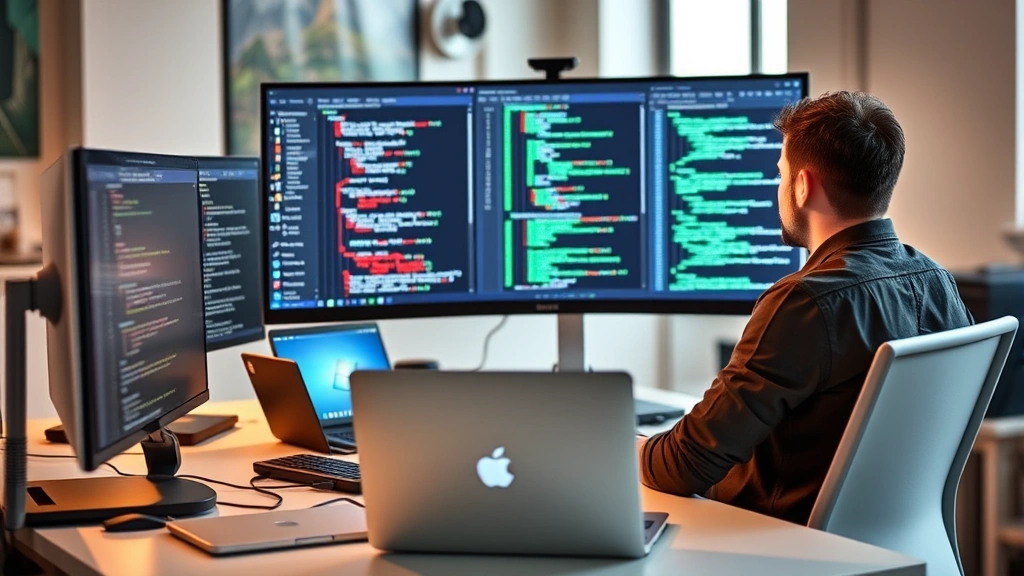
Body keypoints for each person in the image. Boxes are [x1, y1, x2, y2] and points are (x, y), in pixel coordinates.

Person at [638, 91, 973, 525]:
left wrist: (623, 444)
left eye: (780, 174)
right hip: (894, 544)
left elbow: (683, 466)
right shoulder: (938, 281)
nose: (778, 187)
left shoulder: (805, 303)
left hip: (776, 545)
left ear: (803, 184)